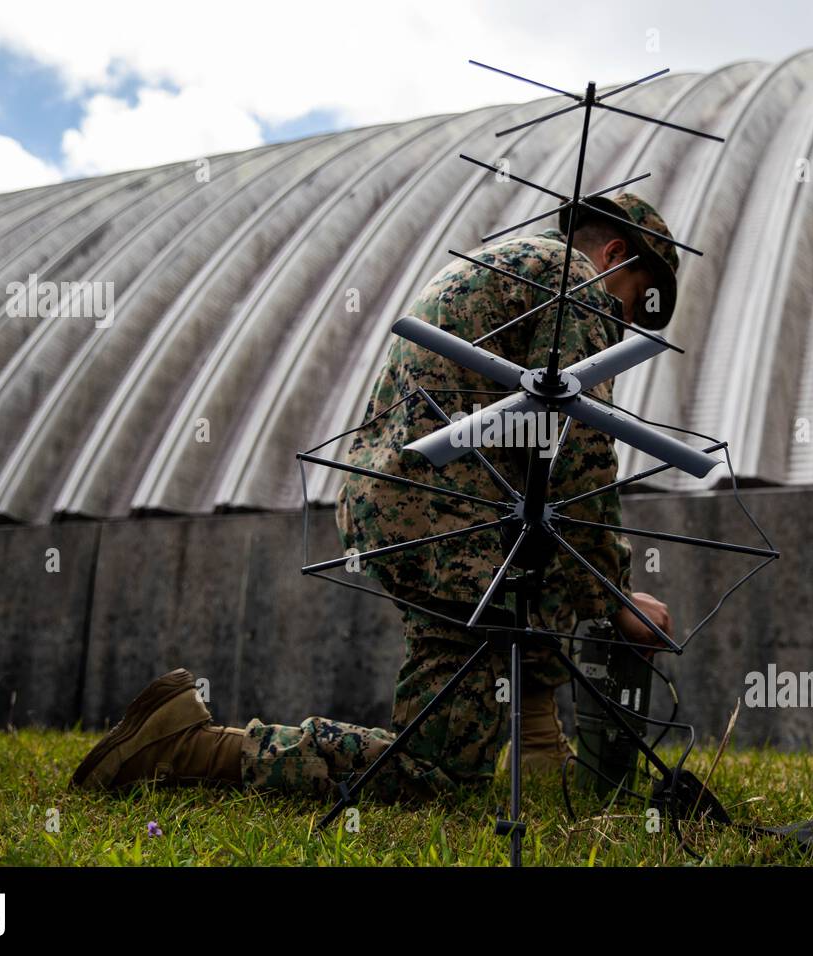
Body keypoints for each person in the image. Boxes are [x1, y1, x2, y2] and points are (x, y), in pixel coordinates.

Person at [71, 193, 681, 804]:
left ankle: (546, 768)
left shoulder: (504, 266)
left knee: (522, 604)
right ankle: (186, 747)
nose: (623, 324)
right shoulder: (575, 283)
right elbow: (578, 444)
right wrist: (613, 590)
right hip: (454, 523)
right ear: (615, 254)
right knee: (437, 774)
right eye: (634, 302)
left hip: (409, 506)